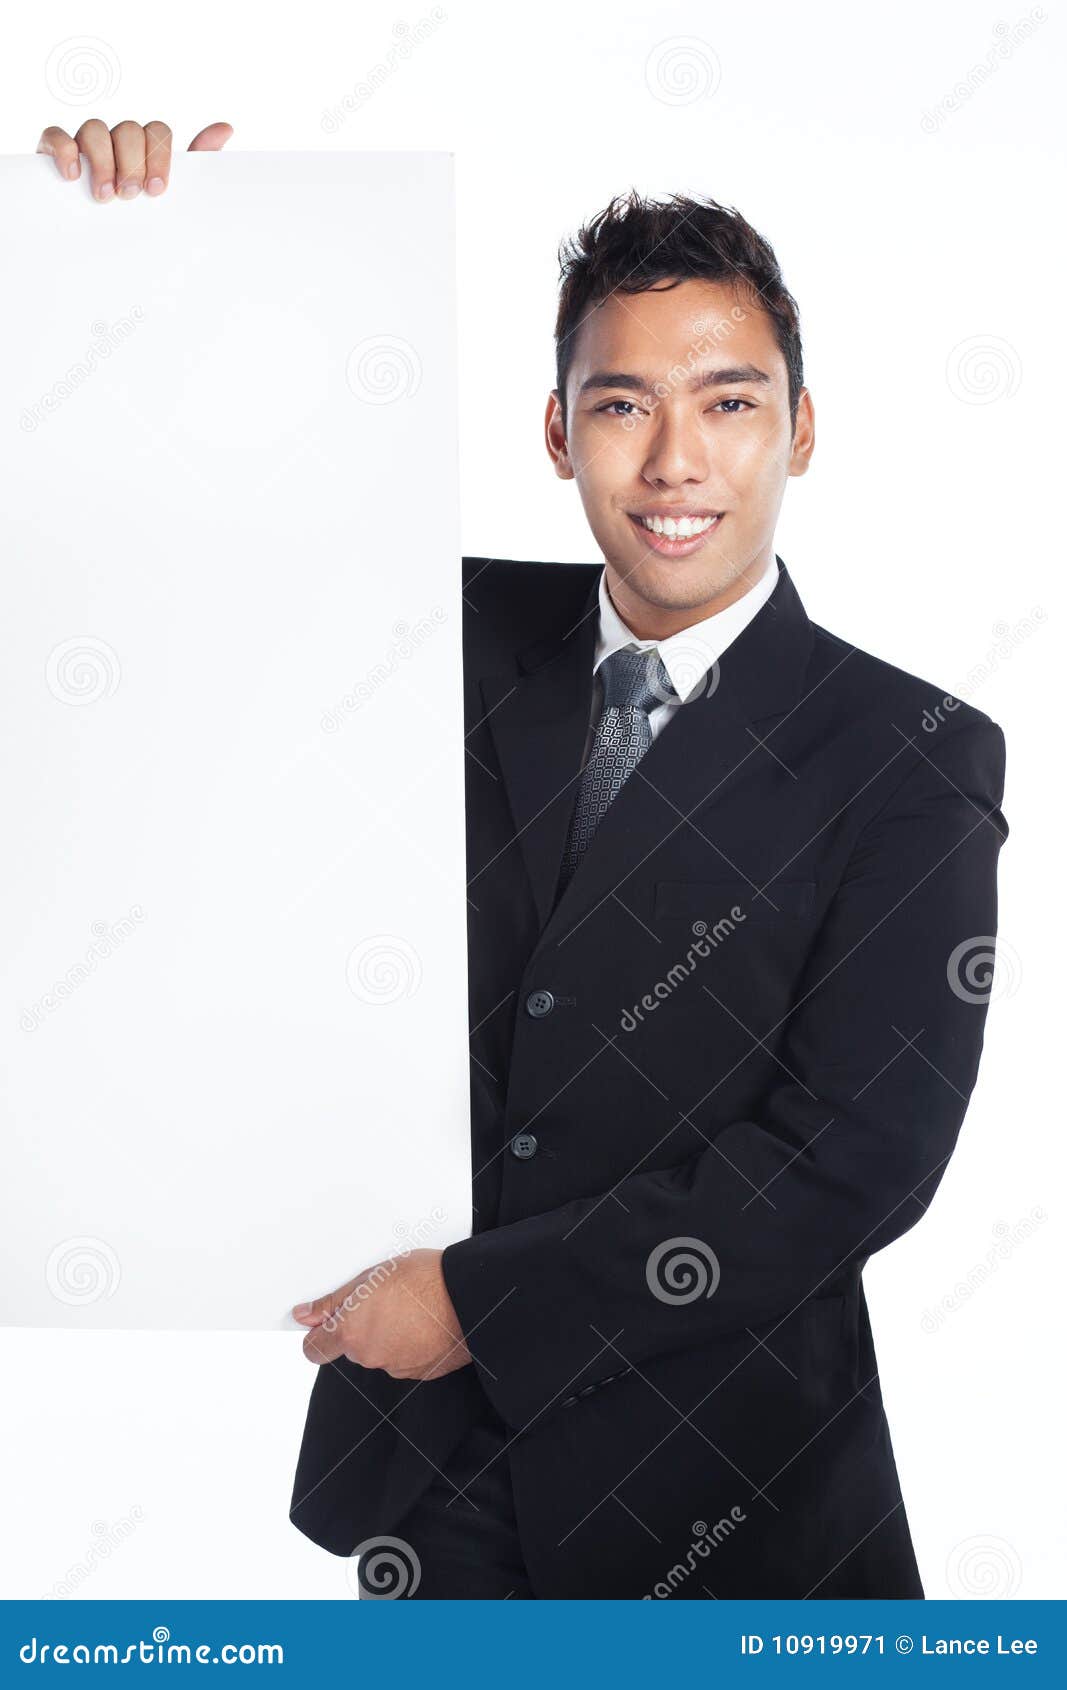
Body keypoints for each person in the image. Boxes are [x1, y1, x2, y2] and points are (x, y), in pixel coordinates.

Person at [38, 119, 1009, 1600]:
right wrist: (144, 237)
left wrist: (481, 1303)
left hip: (741, 1510)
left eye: (728, 402)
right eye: (621, 404)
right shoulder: (426, 640)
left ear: (801, 429)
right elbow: (171, 551)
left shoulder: (912, 748)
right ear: (557, 431)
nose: (676, 459)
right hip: (434, 1498)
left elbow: (851, 1163)